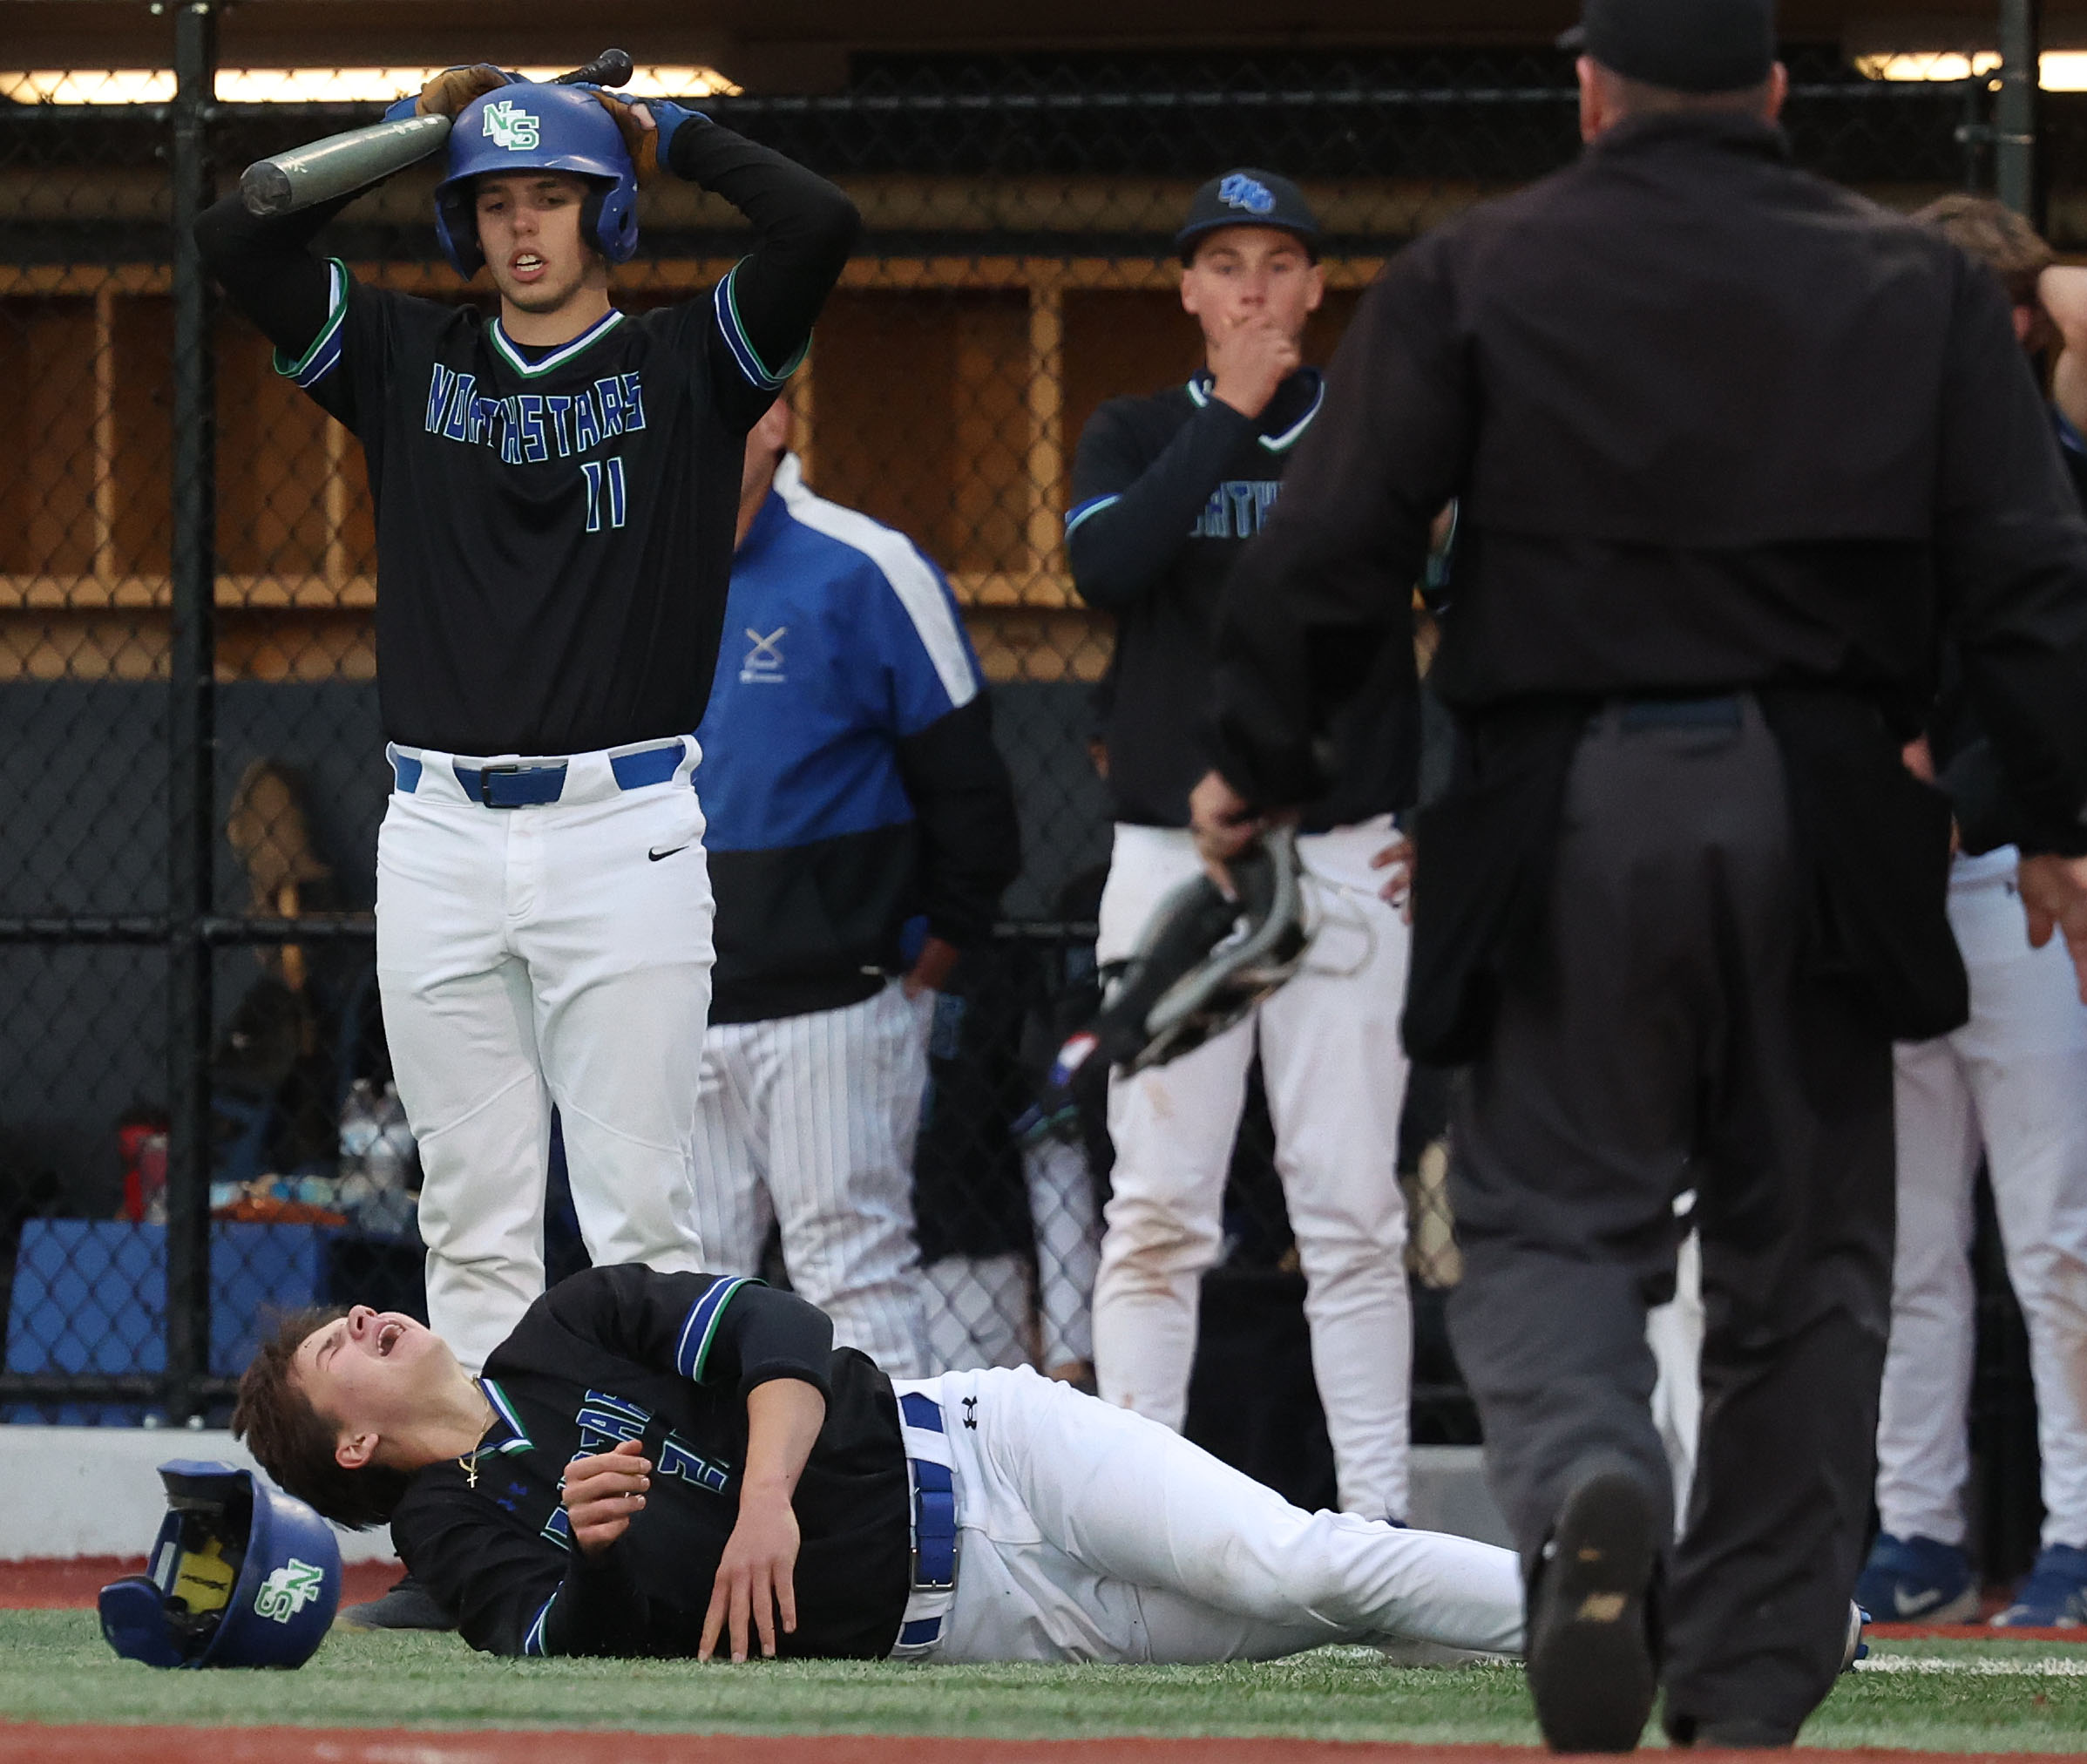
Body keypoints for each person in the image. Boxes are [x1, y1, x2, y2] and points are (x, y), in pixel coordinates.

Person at [1189, 0, 2087, 1747]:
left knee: (1546, 1211)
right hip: (1836, 811)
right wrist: (2057, 817)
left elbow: (1336, 538)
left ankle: (1602, 1476)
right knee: (1809, 1262)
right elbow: (2034, 575)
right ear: (1774, 94)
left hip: (1568, 797)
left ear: (1593, 87)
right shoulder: (1911, 285)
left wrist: (1257, 755)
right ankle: (1755, 1677)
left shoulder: (1481, 270)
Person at [198, 67, 857, 1630]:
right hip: (433, 826)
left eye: (548, 195)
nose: (520, 227)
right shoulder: (410, 351)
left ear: (602, 208)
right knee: (469, 1212)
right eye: (492, 203)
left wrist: (669, 130)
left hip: (620, 823)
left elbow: (818, 221)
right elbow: (240, 230)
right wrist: (440, 124)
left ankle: (650, 1538)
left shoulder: (688, 356)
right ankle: (484, 1546)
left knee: (638, 1216)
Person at [227, 1269, 1527, 1666]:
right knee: (1320, 1624)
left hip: (990, 1447)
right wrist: (605, 1555)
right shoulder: (444, 1540)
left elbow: (781, 1332)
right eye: (326, 1353)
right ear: (350, 1444)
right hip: (984, 1632)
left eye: (341, 1317)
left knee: (1294, 1558)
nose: (355, 1321)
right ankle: (1584, 1640)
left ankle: (1640, 1611)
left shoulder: (561, 1328)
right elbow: (561, 1640)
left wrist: (767, 1503)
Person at [1065, 166, 1420, 1524]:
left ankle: (1377, 1522)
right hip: (1172, 860)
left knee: (1351, 1211)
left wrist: (1445, 812)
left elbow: (1475, 600)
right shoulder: (1139, 425)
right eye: (1227, 265)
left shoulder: (1378, 427)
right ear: (1188, 290)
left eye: (1280, 263)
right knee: (1158, 1208)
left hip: (1343, 849)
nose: (1256, 288)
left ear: (1319, 288)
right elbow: (1109, 568)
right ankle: (1135, 1521)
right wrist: (1232, 412)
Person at [1854, 198, 2087, 1630]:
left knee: (2055, 1233)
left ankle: (2082, 1534)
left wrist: (2009, 274)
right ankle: (1915, 1522)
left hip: (2018, 875)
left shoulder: (2053, 454)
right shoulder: (1863, 455)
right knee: (1907, 1235)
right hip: (1888, 882)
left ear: (2007, 324)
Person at [688, 398, 1020, 1376]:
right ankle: (700, 1527)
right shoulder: (631, 570)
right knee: (679, 1289)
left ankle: (908, 1528)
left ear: (781, 418)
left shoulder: (865, 564)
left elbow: (971, 788)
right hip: (665, 1005)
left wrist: (935, 946)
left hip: (837, 1000)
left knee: (854, 1279)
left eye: (734, 396)